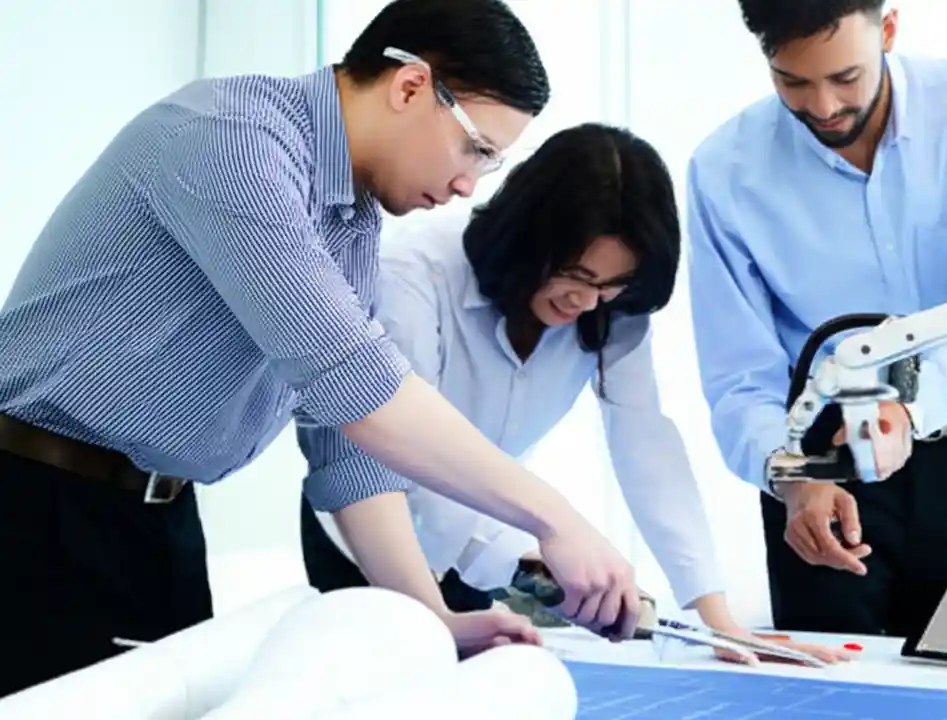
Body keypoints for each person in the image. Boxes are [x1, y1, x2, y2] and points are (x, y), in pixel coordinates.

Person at [0, 0, 643, 698]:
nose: (468, 186)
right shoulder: (231, 141)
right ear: (410, 88)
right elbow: (358, 390)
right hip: (35, 505)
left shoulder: (351, 224)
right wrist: (557, 520)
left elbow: (346, 449)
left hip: (159, 520)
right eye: (477, 150)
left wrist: (432, 614)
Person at [298, 122, 852, 665]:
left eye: (610, 286)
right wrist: (529, 552)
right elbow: (398, 451)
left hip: (486, 529)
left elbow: (645, 445)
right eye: (574, 275)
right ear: (527, 237)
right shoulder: (413, 271)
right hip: (370, 526)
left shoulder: (613, 311)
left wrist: (717, 619)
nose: (586, 303)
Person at [686, 0, 947, 638]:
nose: (823, 107)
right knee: (832, 694)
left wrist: (909, 409)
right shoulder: (724, 172)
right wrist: (793, 480)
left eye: (845, 77)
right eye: (792, 81)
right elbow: (741, 371)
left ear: (887, 30)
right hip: (819, 468)